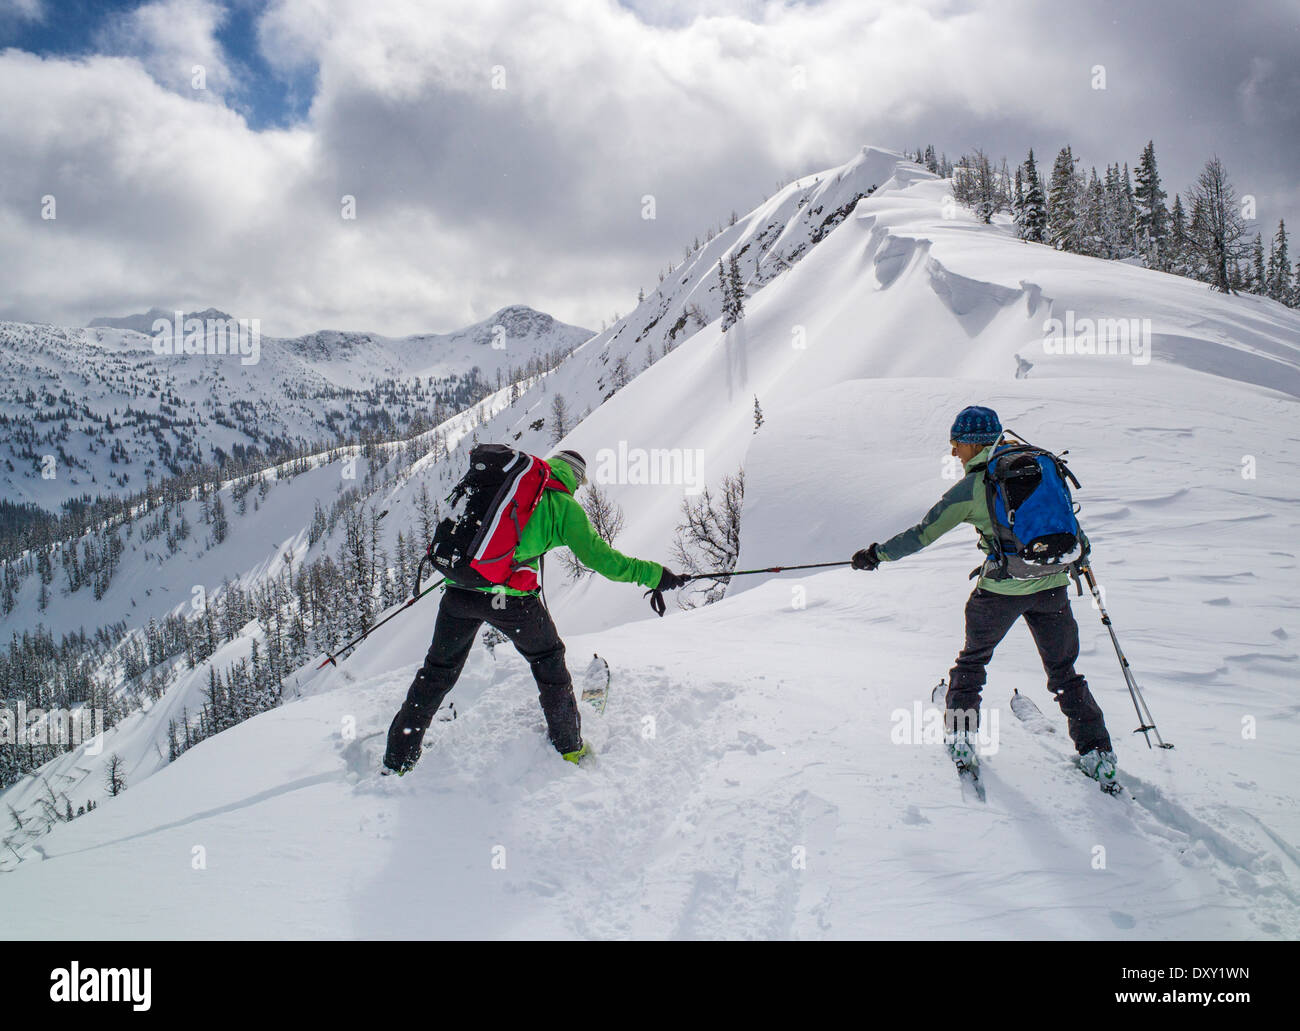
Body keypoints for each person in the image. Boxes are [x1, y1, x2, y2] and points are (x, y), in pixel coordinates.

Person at [851, 406, 1119, 792]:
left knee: (973, 661)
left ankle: (961, 736)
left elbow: (923, 533)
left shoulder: (975, 486)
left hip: (1002, 590)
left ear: (972, 443)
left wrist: (876, 554)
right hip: (1053, 583)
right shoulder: (1044, 465)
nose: (953, 453)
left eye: (956, 444)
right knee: (1064, 672)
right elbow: (1070, 524)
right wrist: (1081, 561)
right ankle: (1098, 753)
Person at [384, 449, 687, 773]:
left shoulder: (510, 489)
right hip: (512, 601)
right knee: (548, 660)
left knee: (437, 672)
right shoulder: (564, 507)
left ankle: (398, 758)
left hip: (460, 591)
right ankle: (569, 746)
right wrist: (656, 575)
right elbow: (604, 561)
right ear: (575, 479)